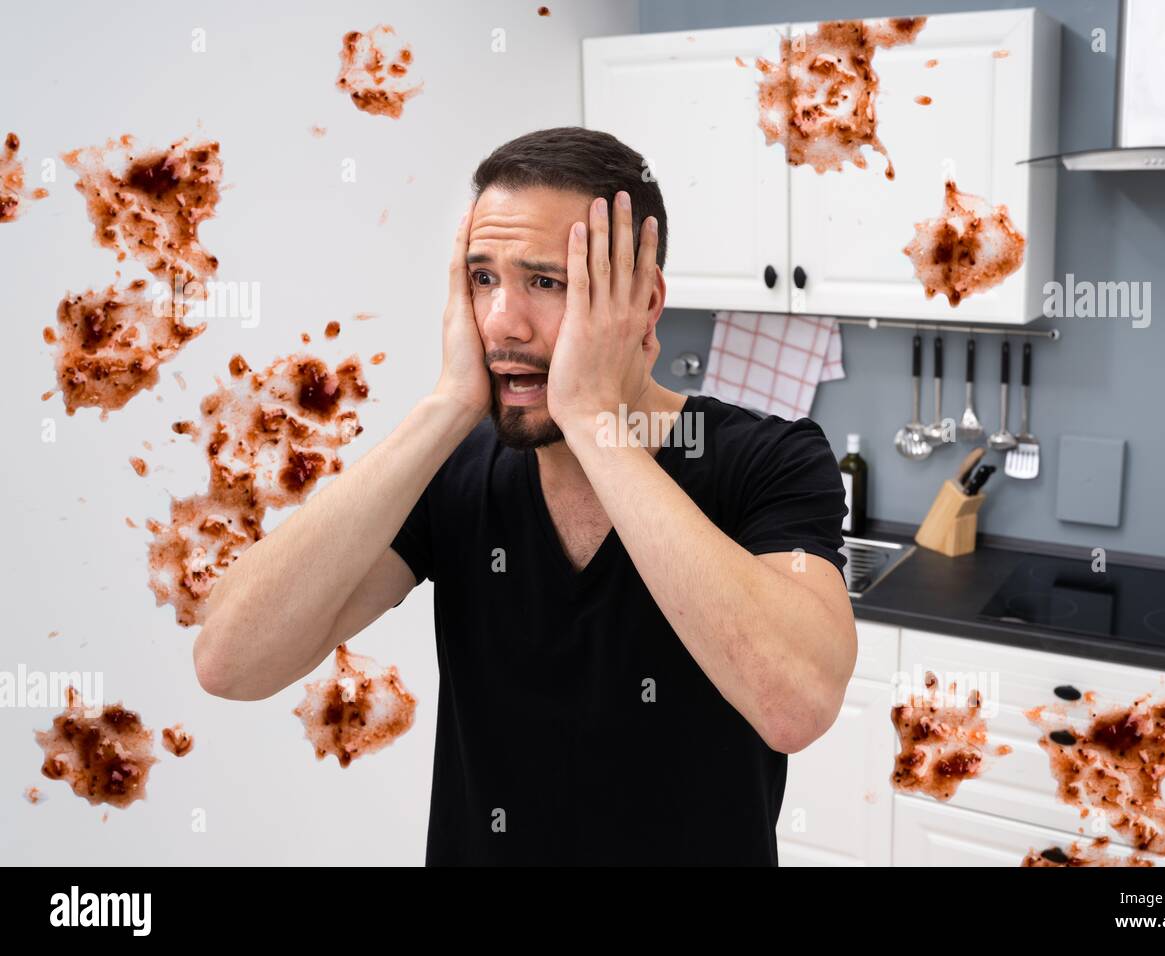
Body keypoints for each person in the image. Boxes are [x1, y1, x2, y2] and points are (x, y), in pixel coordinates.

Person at [194, 126, 857, 865]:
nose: (501, 323)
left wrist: (597, 424)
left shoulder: (767, 460)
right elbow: (230, 661)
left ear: (644, 300)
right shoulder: (455, 470)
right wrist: (446, 406)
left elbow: (795, 705)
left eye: (545, 282)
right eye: (483, 279)